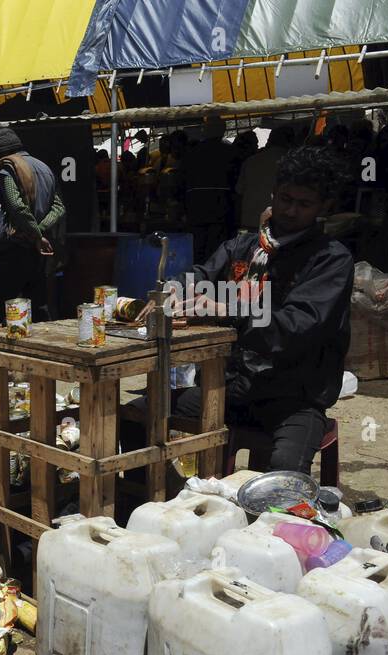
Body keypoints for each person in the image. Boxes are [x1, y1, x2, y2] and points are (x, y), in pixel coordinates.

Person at [125, 146, 353, 476]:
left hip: (291, 397)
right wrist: (175, 288)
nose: (290, 211)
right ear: (274, 193)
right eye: (286, 198)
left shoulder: (330, 259)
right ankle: (146, 503)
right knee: (135, 415)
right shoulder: (245, 246)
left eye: (304, 204)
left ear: (324, 207)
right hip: (229, 387)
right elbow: (203, 273)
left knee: (284, 472)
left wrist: (227, 309)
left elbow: (295, 325)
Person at [0, 128, 66, 327]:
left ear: (1, 153)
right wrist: (41, 230)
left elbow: (16, 206)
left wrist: (35, 234)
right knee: (37, 307)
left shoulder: (8, 168)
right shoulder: (45, 168)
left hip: (15, 247)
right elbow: (59, 206)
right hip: (37, 251)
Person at [182, 116, 240, 258]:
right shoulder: (231, 152)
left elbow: (182, 180)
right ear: (223, 131)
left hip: (196, 208)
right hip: (222, 209)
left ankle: (195, 278)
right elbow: (236, 182)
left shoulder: (192, 152)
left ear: (205, 131)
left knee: (197, 252)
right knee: (217, 252)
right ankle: (214, 279)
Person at [234, 125, 295, 231]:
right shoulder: (294, 163)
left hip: (251, 221)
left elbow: (239, 192)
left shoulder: (251, 161)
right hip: (279, 223)